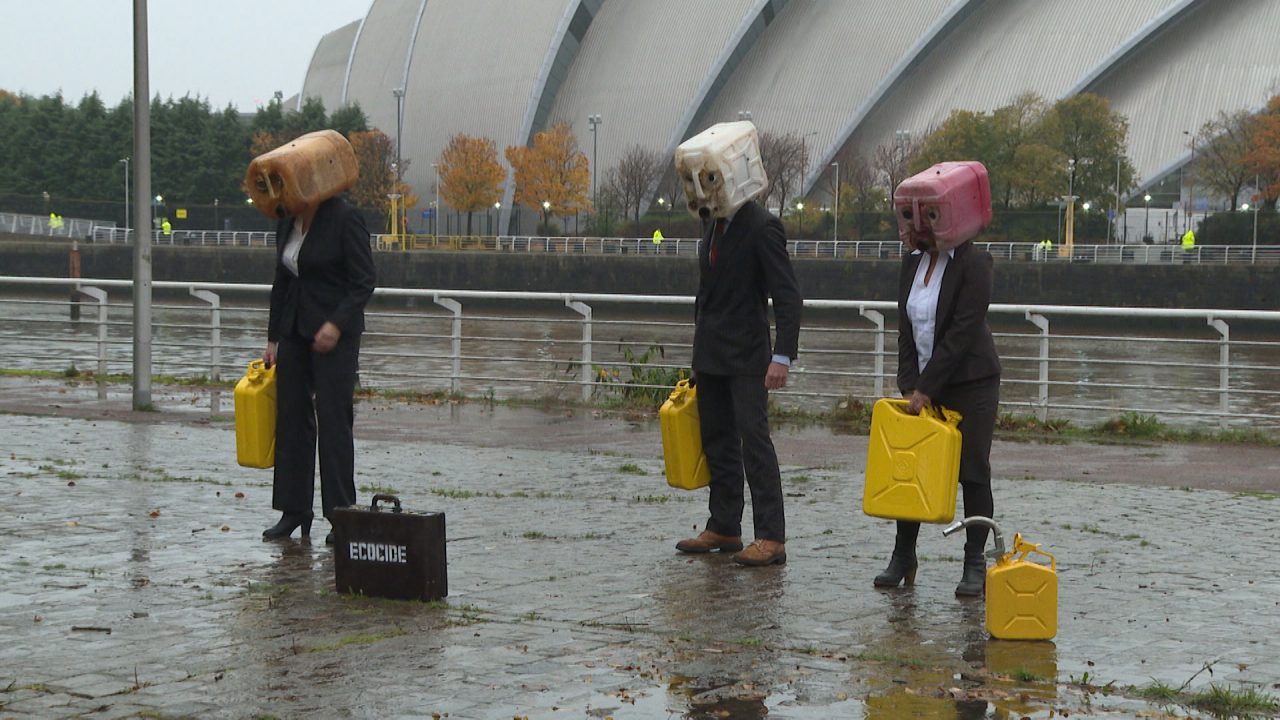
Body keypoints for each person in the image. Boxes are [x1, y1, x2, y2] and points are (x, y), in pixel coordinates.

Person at [671, 120, 803, 567]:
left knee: (754, 441)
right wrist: (698, 355)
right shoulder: (712, 227)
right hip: (711, 354)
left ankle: (772, 536)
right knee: (718, 440)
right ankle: (724, 525)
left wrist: (781, 354)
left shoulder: (763, 227)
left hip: (748, 355)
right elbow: (707, 295)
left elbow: (787, 294)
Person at [877, 161, 1001, 597]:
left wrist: (927, 388)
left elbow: (961, 334)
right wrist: (909, 384)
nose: (916, 228)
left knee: (973, 471)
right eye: (911, 217)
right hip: (922, 388)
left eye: (926, 217)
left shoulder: (975, 264)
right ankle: (903, 555)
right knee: (910, 467)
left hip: (971, 383)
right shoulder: (911, 265)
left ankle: (974, 562)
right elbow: (905, 329)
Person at [262, 194, 376, 544]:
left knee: (333, 421)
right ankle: (294, 510)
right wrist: (273, 338)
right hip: (294, 330)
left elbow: (364, 281)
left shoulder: (345, 218)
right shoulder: (287, 219)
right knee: (291, 419)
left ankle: (341, 515)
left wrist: (337, 325)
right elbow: (282, 281)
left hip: (334, 334)